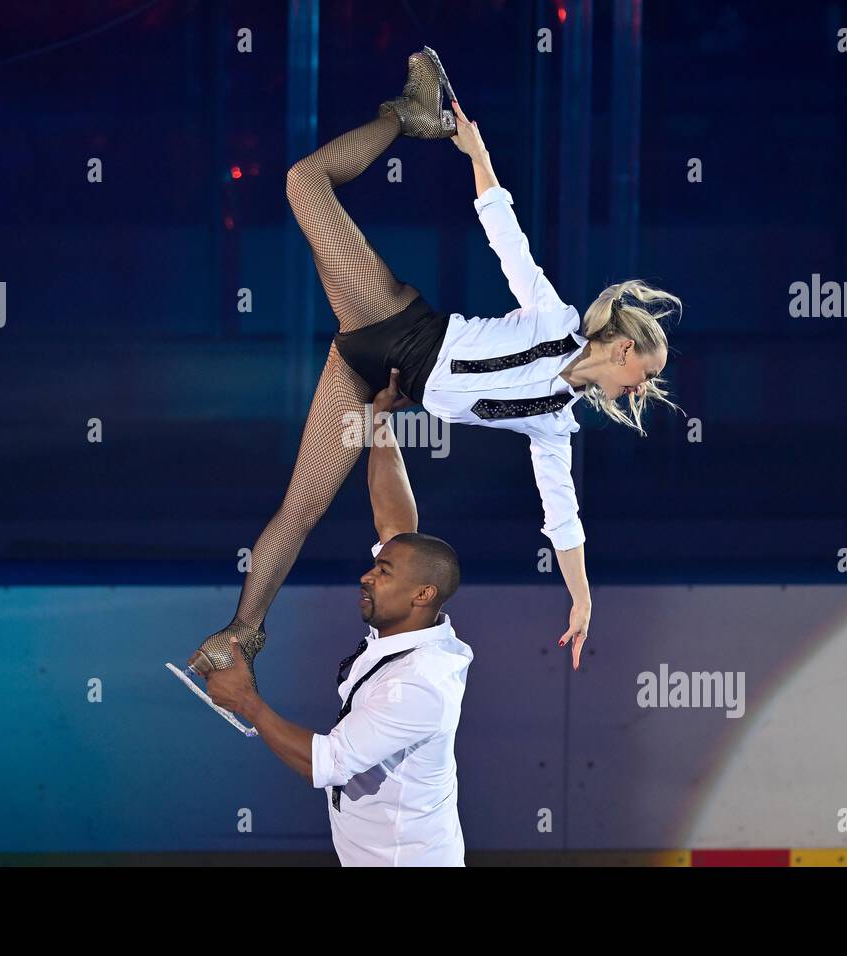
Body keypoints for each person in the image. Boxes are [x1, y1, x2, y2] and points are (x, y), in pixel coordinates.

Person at [188, 46, 681, 688]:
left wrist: (582, 598)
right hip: (394, 324)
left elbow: (563, 519)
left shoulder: (553, 426)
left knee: (301, 507)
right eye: (643, 371)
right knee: (303, 182)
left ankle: (240, 639)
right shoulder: (552, 317)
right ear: (621, 350)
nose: (642, 388)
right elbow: (505, 234)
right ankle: (403, 113)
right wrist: (476, 155)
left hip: (376, 377)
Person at [204, 370, 473, 866]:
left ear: (422, 594)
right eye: (375, 566)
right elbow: (395, 522)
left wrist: (246, 701)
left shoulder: (417, 684)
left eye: (382, 571)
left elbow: (325, 763)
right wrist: (381, 422)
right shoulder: (412, 624)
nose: (367, 576)